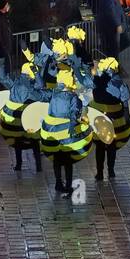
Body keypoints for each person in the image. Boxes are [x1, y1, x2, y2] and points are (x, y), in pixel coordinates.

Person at [40, 61, 93, 197]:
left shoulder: (53, 95)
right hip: (67, 134)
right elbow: (75, 112)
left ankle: (58, 183)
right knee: (68, 161)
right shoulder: (73, 97)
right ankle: (68, 186)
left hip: (52, 131)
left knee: (57, 159)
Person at [0, 56, 45, 173]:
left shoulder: (14, 84)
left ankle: (18, 165)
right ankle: (38, 166)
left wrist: (1, 65)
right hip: (29, 120)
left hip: (15, 121)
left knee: (17, 142)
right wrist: (36, 72)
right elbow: (41, 84)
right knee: (35, 142)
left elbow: (3, 78)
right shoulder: (32, 86)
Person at [91, 57, 130, 181]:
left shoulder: (98, 80)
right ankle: (109, 170)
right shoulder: (117, 82)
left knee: (101, 146)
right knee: (110, 145)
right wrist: (126, 115)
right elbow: (124, 100)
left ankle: (101, 172)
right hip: (113, 118)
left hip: (102, 119)